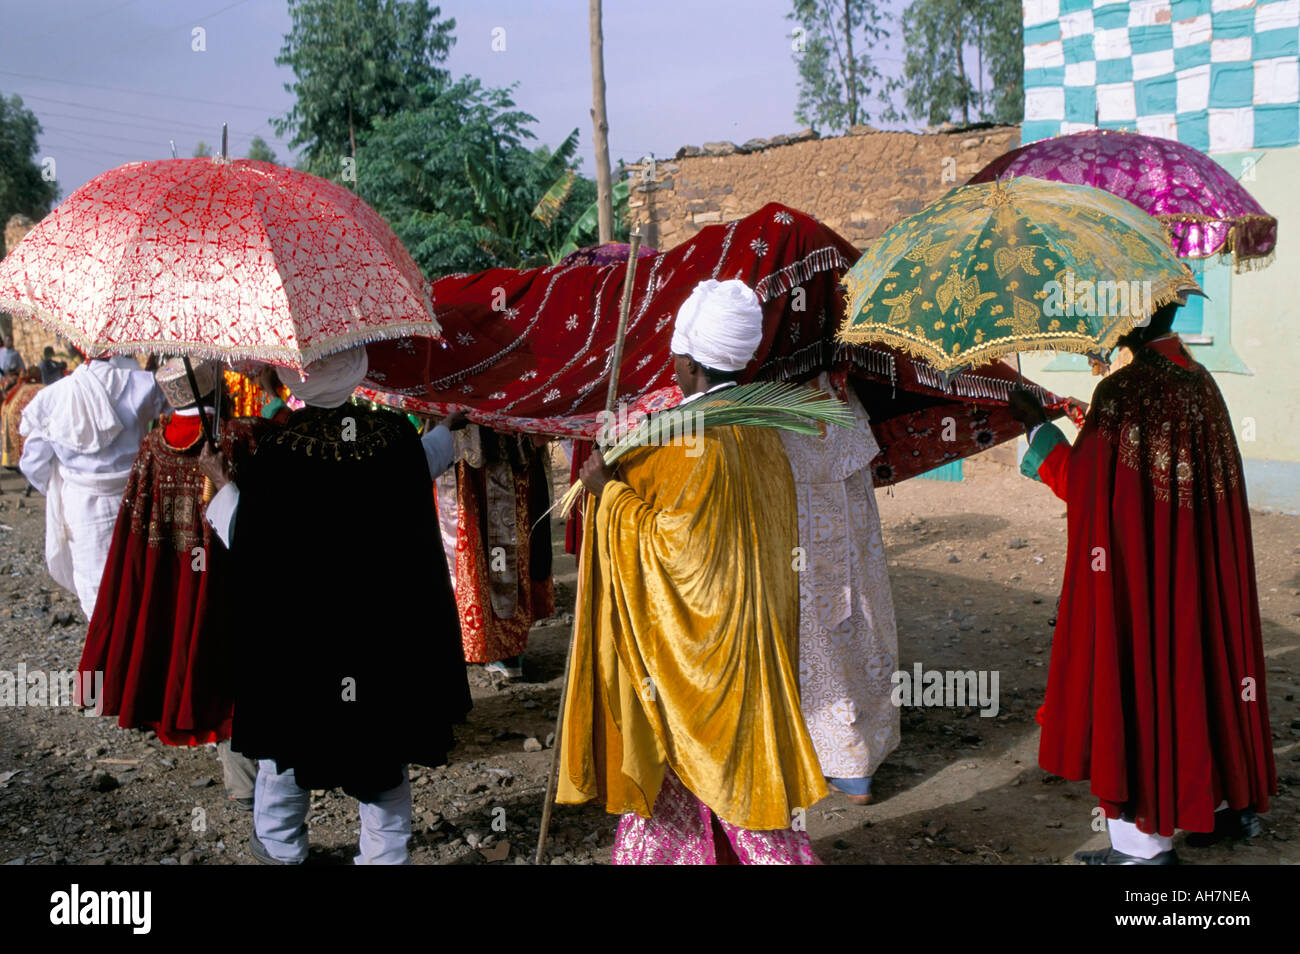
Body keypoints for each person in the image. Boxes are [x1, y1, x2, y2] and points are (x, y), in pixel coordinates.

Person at [558, 278, 826, 864]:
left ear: (684, 360)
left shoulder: (684, 443)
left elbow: (672, 553)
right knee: (743, 778)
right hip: (754, 644)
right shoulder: (760, 432)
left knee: (705, 773)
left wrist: (608, 494)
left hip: (693, 659)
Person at [1010, 301, 1276, 865]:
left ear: (1127, 314)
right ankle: (1228, 802)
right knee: (1207, 663)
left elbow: (1089, 489)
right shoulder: (1197, 379)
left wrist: (1038, 428)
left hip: (1141, 574)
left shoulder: (1126, 392)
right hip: (1197, 565)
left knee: (1145, 676)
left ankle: (1142, 848)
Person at [200, 346, 470, 865]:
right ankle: (384, 857)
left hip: (303, 641)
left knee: (289, 745)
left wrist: (221, 480)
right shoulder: (392, 437)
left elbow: (250, 539)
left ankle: (281, 850)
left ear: (294, 380)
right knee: (382, 751)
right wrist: (447, 428)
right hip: (382, 635)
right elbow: (423, 462)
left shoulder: (278, 450)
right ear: (357, 372)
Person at [76, 359, 269, 808]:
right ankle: (249, 778)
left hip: (174, 570)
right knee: (233, 666)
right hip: (230, 574)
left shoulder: (151, 446)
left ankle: (239, 775)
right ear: (215, 387)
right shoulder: (240, 437)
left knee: (193, 649)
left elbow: (136, 527)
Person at [778, 371, 898, 806]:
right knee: (857, 607)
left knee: (810, 615)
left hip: (787, 445)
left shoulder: (764, 321)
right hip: (836, 427)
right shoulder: (835, 326)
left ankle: (826, 753)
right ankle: (854, 758)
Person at [19, 352, 166, 618]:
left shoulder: (52, 398)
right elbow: (179, 408)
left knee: (95, 586)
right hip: (136, 498)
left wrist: (60, 486)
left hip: (82, 506)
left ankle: (105, 649)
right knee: (140, 578)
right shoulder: (142, 383)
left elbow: (32, 463)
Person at [434, 426, 554, 679]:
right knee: (490, 544)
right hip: (494, 444)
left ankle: (500, 648)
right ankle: (496, 646)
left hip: (485, 451)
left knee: (492, 545)